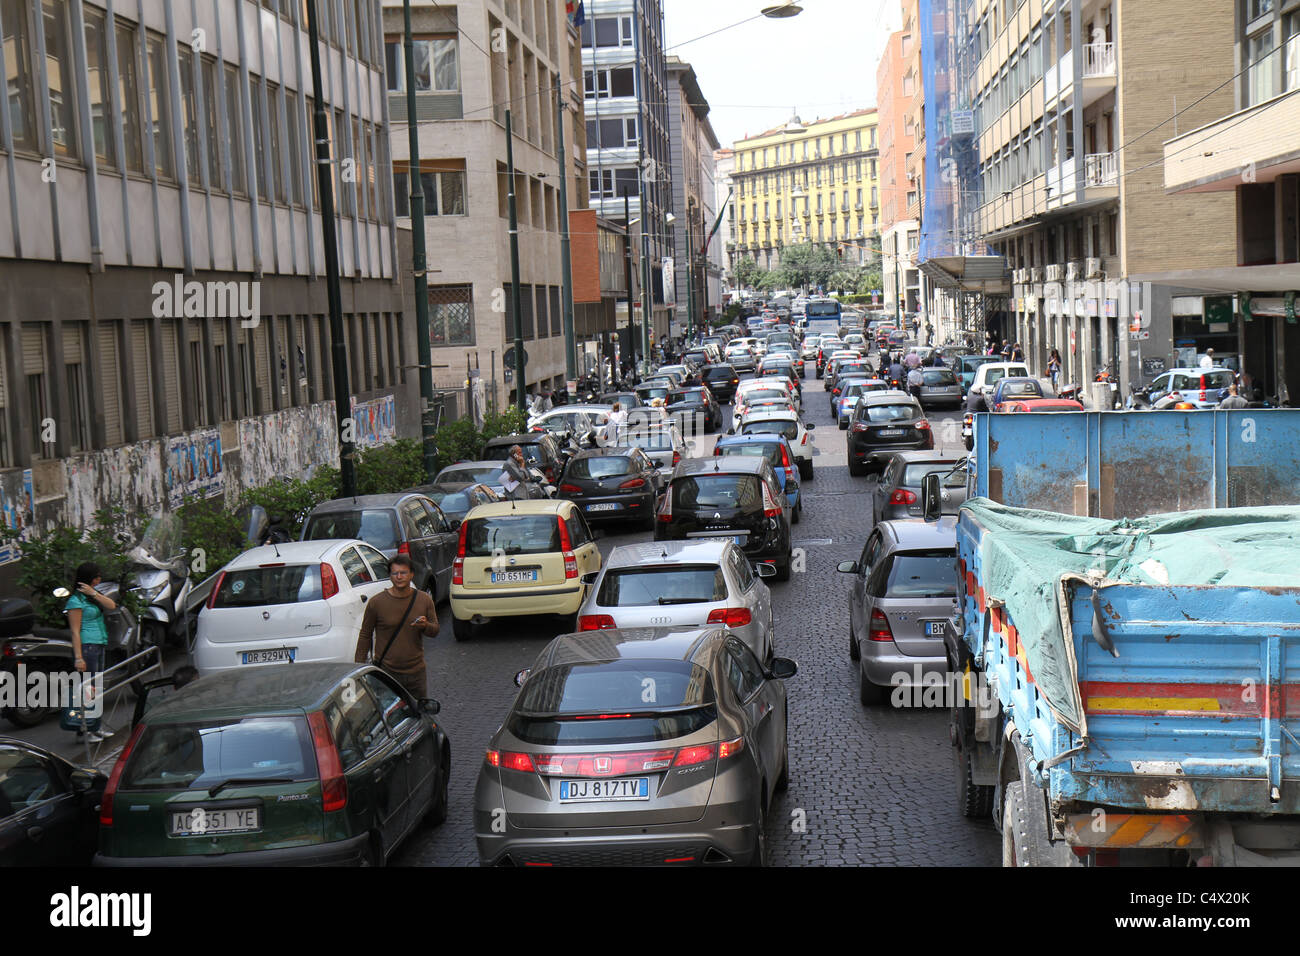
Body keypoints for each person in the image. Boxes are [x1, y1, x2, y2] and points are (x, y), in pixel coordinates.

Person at [354, 554, 438, 700]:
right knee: (390, 717)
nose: (399, 576)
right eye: (395, 573)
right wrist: (359, 669)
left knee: (420, 713)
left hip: (416, 674)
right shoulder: (376, 603)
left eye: (403, 573)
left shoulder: (424, 599)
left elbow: (435, 630)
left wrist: (425, 626)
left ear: (411, 574)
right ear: (390, 576)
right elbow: (365, 635)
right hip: (387, 673)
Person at [65, 562, 117, 743]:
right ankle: (85, 729)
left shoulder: (90, 597)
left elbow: (111, 605)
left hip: (98, 644)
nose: (99, 579)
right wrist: (78, 657)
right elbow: (74, 631)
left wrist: (93, 593)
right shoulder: (75, 601)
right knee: (89, 689)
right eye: (96, 577)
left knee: (96, 689)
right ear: (88, 578)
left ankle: (94, 726)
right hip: (87, 647)